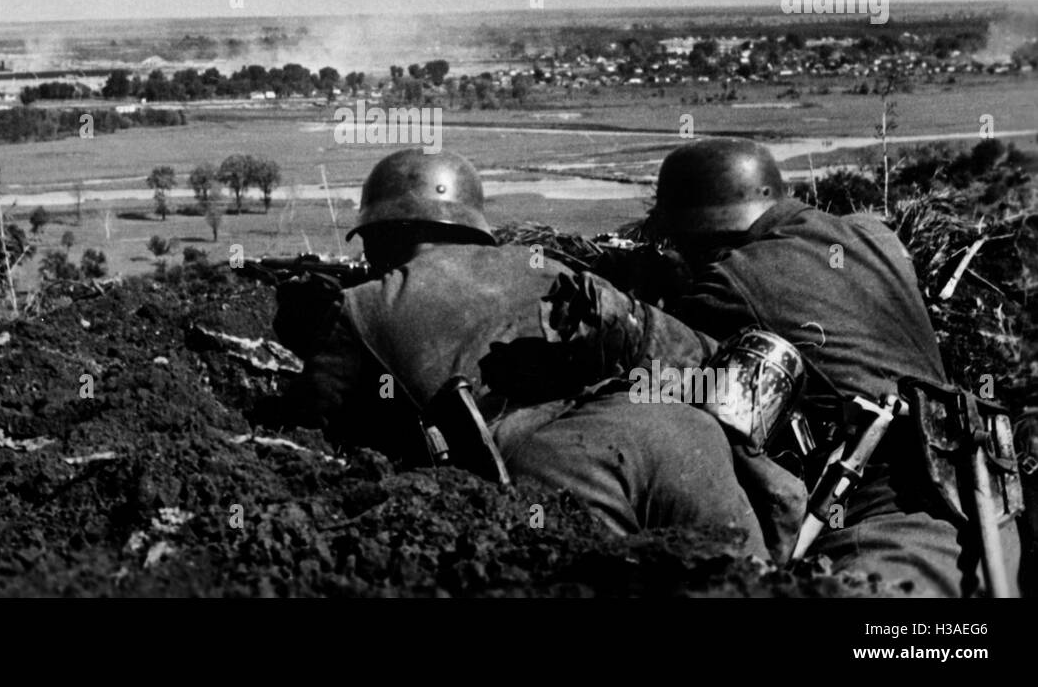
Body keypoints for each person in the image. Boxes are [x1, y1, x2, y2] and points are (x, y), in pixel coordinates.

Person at [483, 136, 1023, 596]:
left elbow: (694, 380)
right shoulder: (872, 236)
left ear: (696, 235)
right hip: (985, 519)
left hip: (881, 537)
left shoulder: (727, 284)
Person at [266, 147, 768, 555]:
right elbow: (663, 342)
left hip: (566, 468)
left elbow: (311, 419)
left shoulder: (362, 306)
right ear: (471, 224)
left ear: (383, 232)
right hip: (679, 430)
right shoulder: (546, 265)